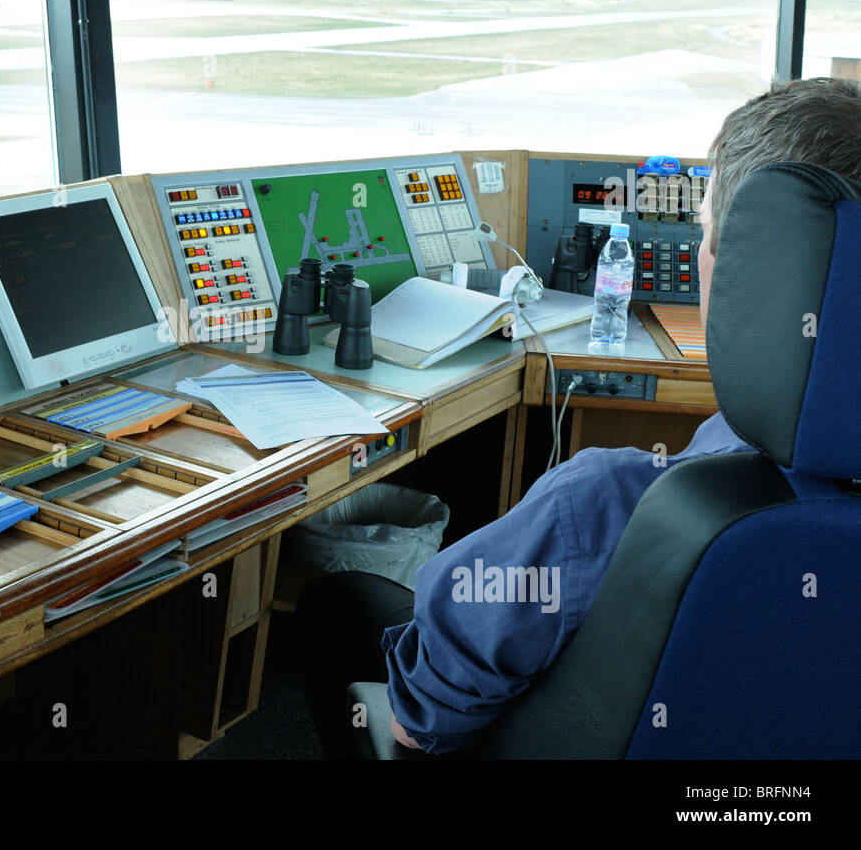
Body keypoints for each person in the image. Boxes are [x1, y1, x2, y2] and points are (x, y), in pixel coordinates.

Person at [299, 76, 861, 758]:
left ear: (759, 273)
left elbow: (421, 712)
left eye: (708, 234)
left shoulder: (605, 503)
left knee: (339, 603)